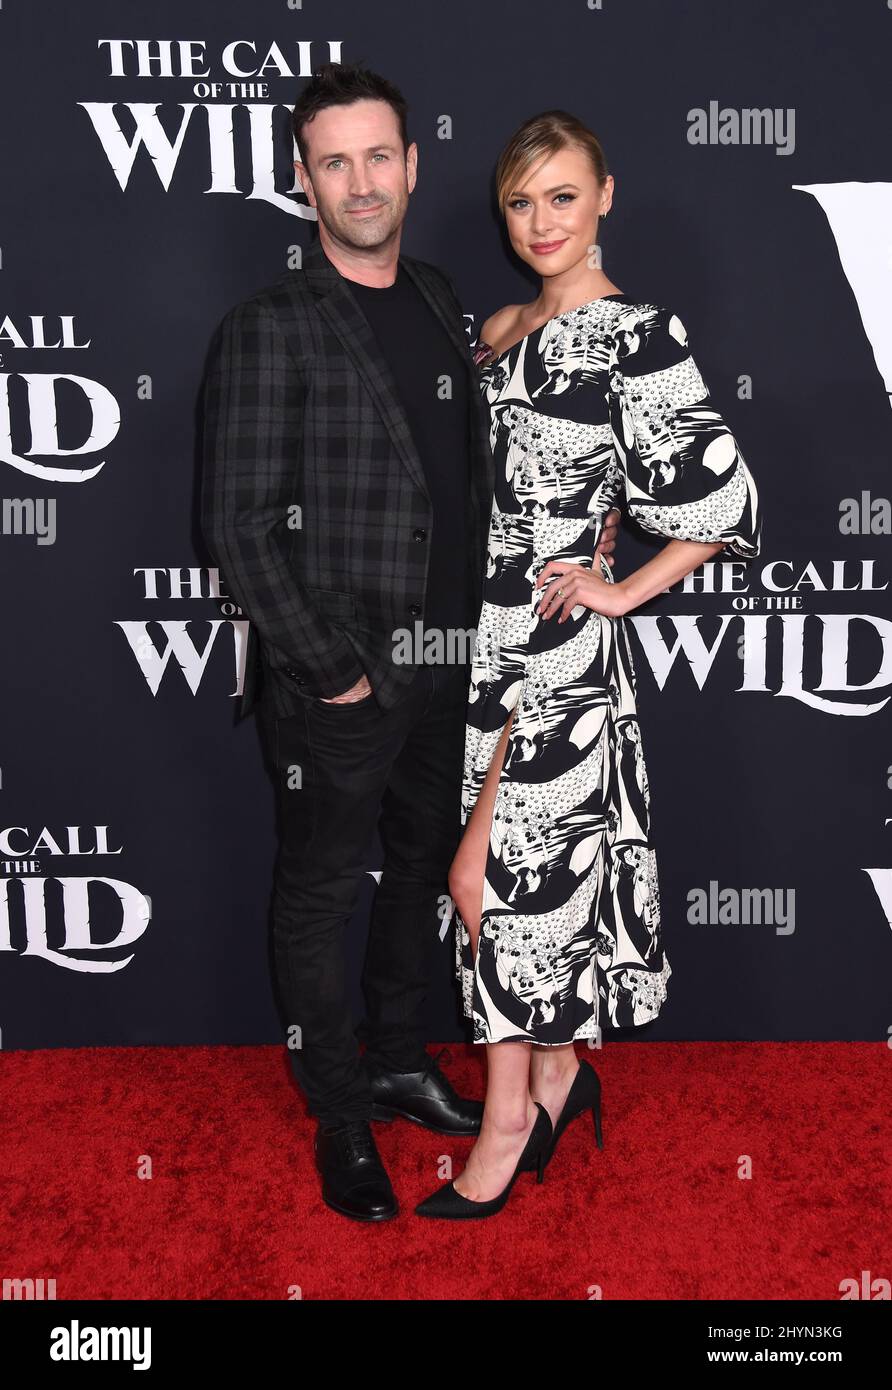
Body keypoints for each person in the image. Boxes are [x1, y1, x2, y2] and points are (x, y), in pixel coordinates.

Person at [200, 67, 620, 1223]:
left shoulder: (442, 299)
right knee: (322, 890)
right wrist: (327, 667)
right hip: (339, 685)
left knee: (422, 888)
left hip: (460, 667)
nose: (361, 181)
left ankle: (395, 1053)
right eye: (333, 162)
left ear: (412, 164)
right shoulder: (268, 326)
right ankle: (339, 1110)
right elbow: (234, 525)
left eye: (378, 156)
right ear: (303, 180)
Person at [415, 109, 762, 1219]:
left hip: (558, 645)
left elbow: (720, 502)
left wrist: (616, 584)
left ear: (604, 195)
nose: (540, 220)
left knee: (494, 881)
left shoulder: (637, 334)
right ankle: (557, 1071)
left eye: (562, 195)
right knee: (513, 888)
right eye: (520, 201)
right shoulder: (500, 328)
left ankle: (510, 1112)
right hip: (486, 642)